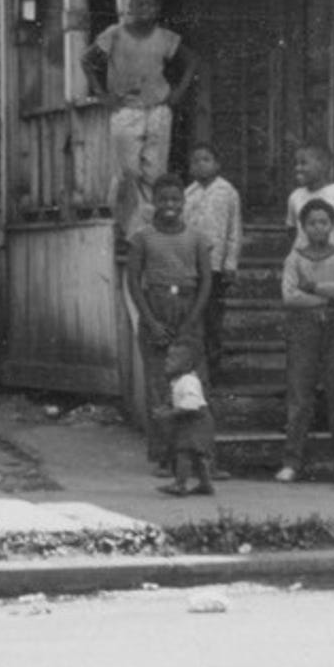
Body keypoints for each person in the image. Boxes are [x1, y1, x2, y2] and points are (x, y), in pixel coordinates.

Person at [81, 0, 192, 225]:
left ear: (157, 8)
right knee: (128, 171)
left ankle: (150, 225)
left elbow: (190, 61)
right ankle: (128, 223)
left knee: (155, 171)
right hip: (127, 109)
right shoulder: (115, 34)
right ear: (129, 7)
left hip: (157, 110)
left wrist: (178, 92)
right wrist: (102, 94)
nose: (145, 9)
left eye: (150, 4)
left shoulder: (164, 37)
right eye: (140, 4)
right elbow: (87, 60)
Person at [123, 184, 210, 472]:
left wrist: (191, 320)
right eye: (163, 199)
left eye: (175, 198)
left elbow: (206, 282)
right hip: (156, 307)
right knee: (158, 387)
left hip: (188, 308)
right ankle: (164, 456)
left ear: (183, 201)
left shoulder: (197, 238)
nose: (169, 204)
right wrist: (150, 321)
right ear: (154, 202)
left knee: (194, 385)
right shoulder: (142, 238)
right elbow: (134, 281)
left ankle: (197, 455)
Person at [275, 198, 334, 482]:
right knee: (300, 397)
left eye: (323, 222)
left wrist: (313, 287)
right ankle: (292, 461)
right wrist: (327, 298)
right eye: (312, 222)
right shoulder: (295, 258)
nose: (318, 227)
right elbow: (289, 296)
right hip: (303, 330)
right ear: (303, 226)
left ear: (332, 225)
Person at [180, 147, 244, 372]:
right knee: (193, 314)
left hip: (216, 265)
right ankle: (195, 366)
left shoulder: (228, 192)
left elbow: (234, 230)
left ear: (217, 164)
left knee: (212, 315)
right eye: (195, 161)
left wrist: (230, 264)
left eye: (206, 159)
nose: (200, 164)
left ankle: (214, 364)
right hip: (191, 265)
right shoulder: (188, 193)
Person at [155, 338, 216, 497]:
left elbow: (191, 403)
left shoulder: (189, 381)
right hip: (194, 421)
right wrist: (165, 408)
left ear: (188, 365)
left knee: (184, 452)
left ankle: (180, 484)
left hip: (195, 421)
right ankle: (205, 484)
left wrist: (170, 414)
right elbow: (174, 400)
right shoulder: (177, 381)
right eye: (168, 357)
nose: (167, 361)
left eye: (174, 359)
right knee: (197, 455)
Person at [284, 143, 334, 240]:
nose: (297, 168)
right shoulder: (295, 196)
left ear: (323, 165)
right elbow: (292, 229)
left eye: (303, 163)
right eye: (296, 164)